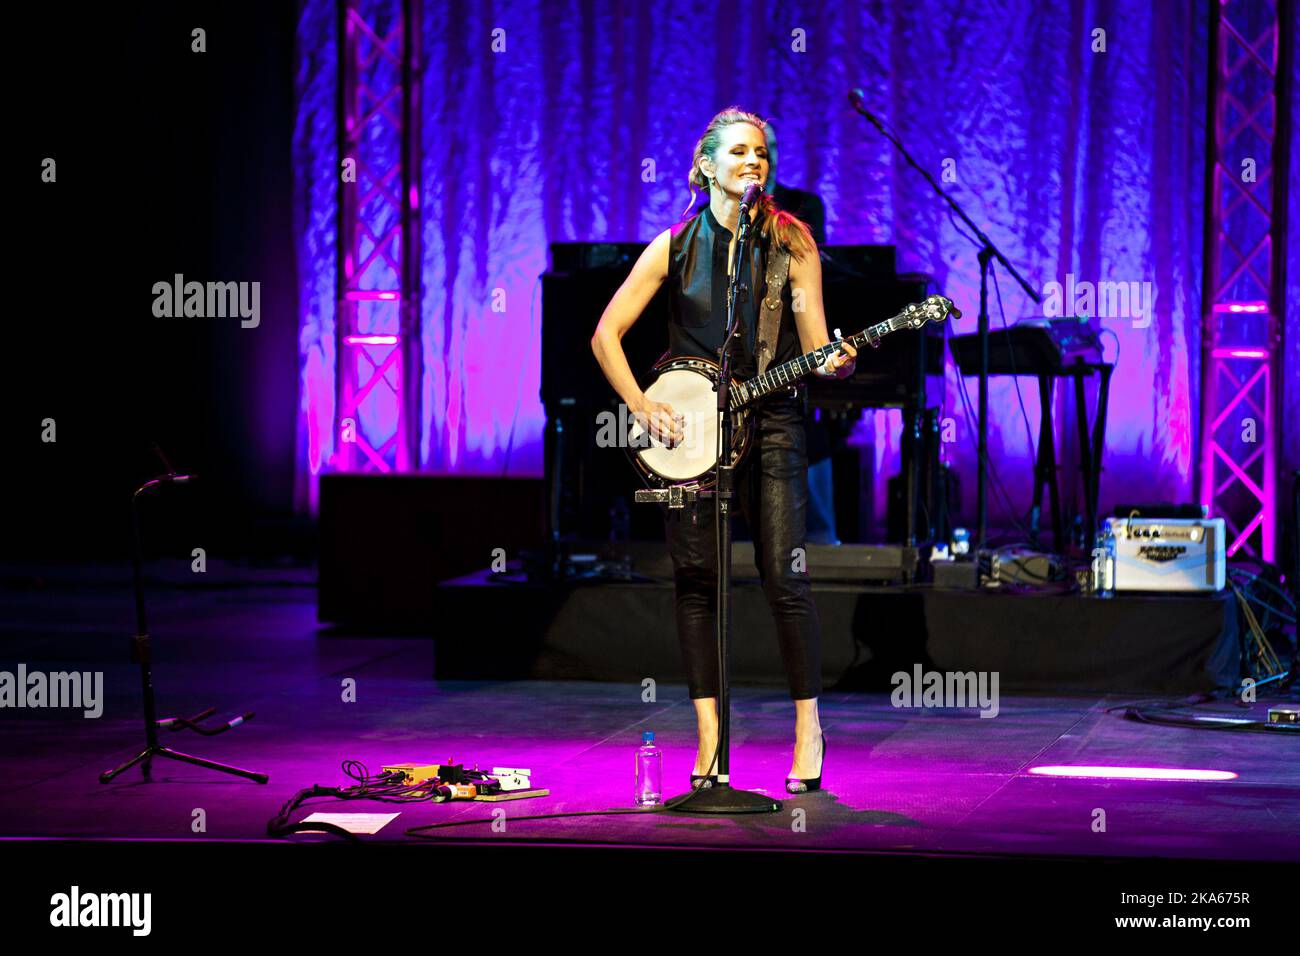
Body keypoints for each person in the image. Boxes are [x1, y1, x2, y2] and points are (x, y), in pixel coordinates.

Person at [590, 107, 856, 794]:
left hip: (771, 425)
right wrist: (642, 405)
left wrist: (838, 363)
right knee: (697, 582)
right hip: (695, 434)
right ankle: (711, 742)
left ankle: (809, 728)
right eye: (738, 151)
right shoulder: (673, 244)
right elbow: (605, 334)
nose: (753, 161)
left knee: (782, 577)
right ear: (706, 164)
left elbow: (817, 342)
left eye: (762, 152)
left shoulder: (792, 242)